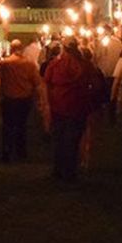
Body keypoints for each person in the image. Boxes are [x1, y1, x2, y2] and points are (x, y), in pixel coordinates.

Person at [43, 38, 93, 182]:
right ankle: (70, 171)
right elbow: (92, 82)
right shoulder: (84, 65)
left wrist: (47, 103)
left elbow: (46, 82)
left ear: (64, 49)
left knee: (59, 139)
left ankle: (58, 169)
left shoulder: (56, 64)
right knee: (73, 140)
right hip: (78, 107)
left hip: (58, 106)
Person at [0, 40, 45, 162]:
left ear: (11, 49)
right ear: (21, 49)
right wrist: (40, 99)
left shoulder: (5, 63)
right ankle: (21, 151)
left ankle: (7, 152)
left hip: (8, 99)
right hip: (24, 99)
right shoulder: (29, 64)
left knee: (8, 126)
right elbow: (37, 83)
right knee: (21, 126)